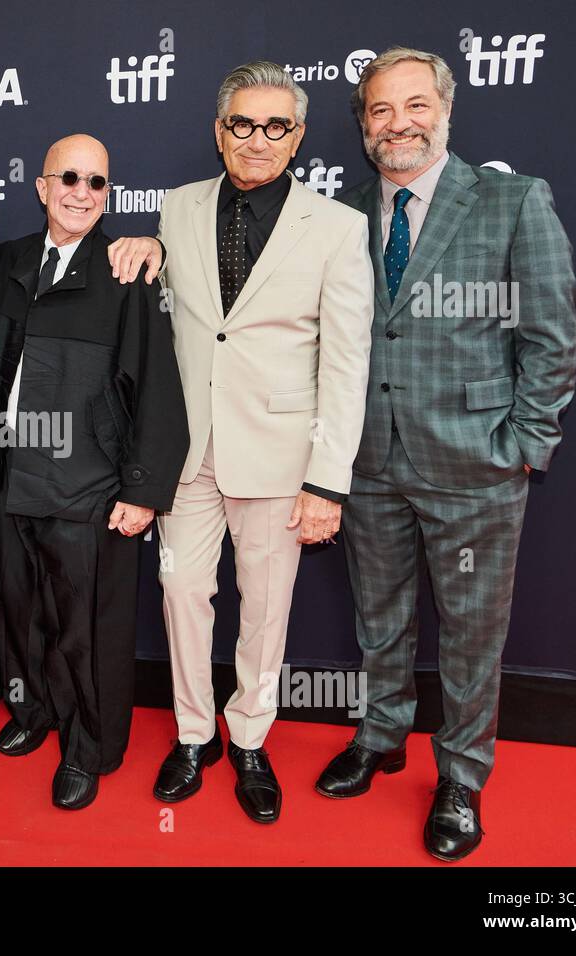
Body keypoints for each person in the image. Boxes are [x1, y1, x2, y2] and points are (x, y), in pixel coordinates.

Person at [316, 47, 576, 861]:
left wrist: (526, 444)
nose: (399, 123)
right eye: (381, 110)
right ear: (362, 125)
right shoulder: (342, 215)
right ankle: (383, 733)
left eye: (415, 105)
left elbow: (552, 337)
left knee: (470, 633)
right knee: (381, 618)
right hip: (368, 462)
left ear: (446, 111)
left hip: (476, 466)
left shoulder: (510, 201)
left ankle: (461, 777)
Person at [109, 62, 373, 822]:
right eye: (242, 124)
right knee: (183, 595)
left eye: (276, 126)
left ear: (297, 137)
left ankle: (251, 736)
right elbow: (172, 307)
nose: (257, 140)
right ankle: (195, 735)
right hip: (186, 451)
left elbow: (347, 361)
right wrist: (147, 251)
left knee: (265, 610)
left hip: (281, 456)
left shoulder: (337, 227)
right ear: (218, 131)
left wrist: (328, 480)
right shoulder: (177, 206)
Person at [0, 134, 187, 810]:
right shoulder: (9, 260)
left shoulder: (127, 270)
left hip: (90, 482)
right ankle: (35, 712)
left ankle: (89, 749)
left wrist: (143, 489)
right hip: (14, 473)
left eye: (97, 183)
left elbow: (157, 386)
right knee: (22, 611)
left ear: (110, 193)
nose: (81, 192)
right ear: (42, 187)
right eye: (68, 178)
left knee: (86, 629)